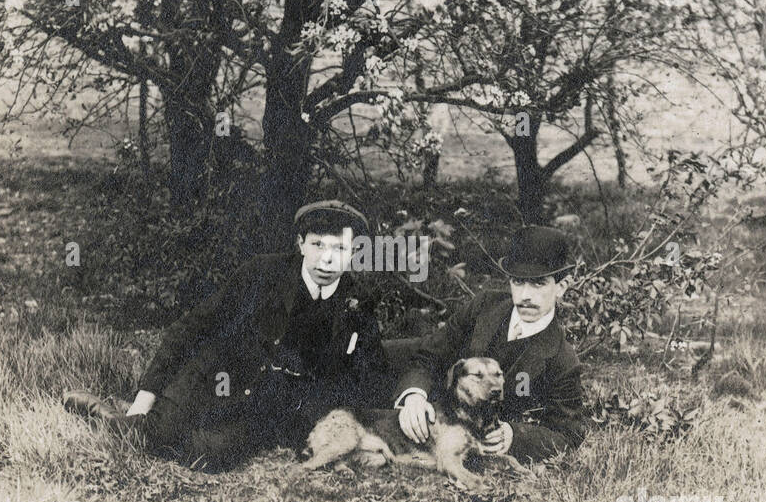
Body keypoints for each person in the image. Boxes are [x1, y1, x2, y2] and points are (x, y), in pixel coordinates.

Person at [64, 200, 391, 470]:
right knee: (159, 431)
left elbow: (370, 374)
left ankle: (129, 420)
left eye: (340, 247)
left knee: (210, 457)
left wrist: (343, 421)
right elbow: (192, 327)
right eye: (318, 244)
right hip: (219, 376)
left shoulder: (358, 302)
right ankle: (108, 415)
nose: (328, 258)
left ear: (353, 253)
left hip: (275, 407)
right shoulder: (262, 274)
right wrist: (144, 398)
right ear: (301, 244)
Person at [394, 225, 586, 463]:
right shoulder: (484, 306)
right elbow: (429, 354)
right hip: (427, 412)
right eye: (518, 282)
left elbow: (567, 436)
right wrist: (413, 396)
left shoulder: (562, 361)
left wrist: (514, 436)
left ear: (562, 286)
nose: (525, 295)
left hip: (456, 442)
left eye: (538, 284)